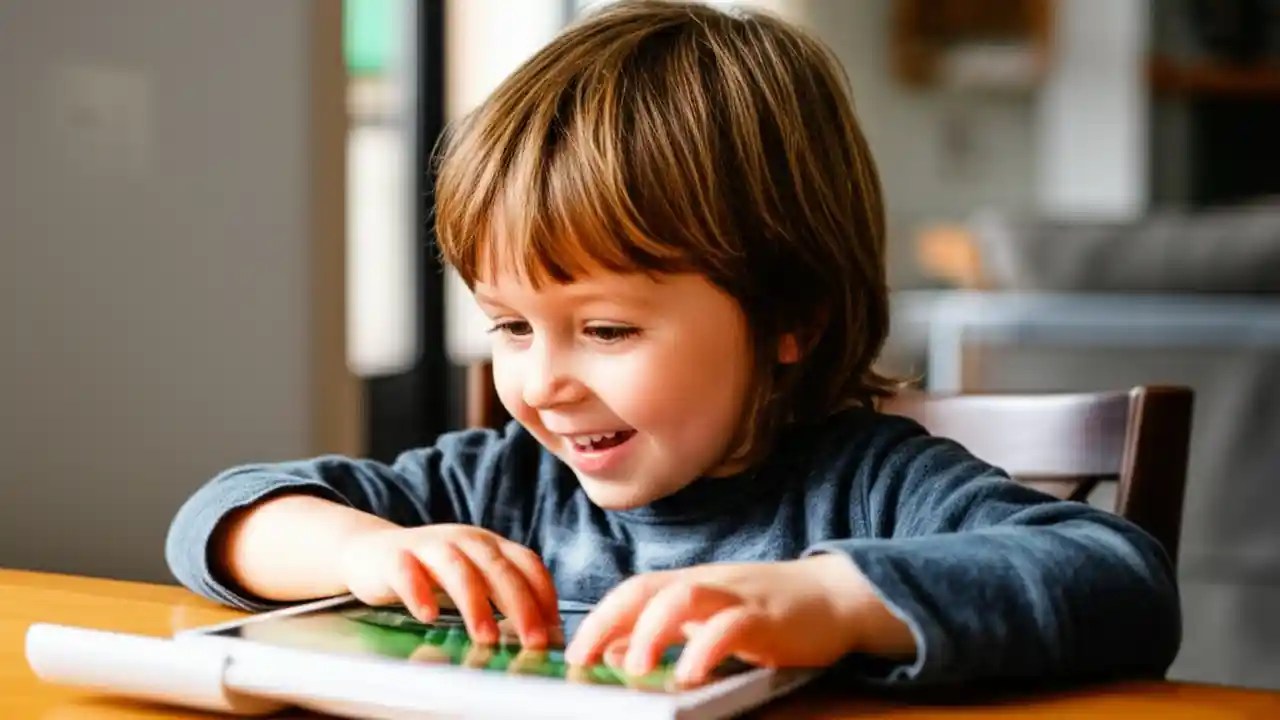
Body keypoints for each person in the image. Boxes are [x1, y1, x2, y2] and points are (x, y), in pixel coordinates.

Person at [166, 0, 1179, 688]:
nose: (542, 382)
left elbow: (1121, 581)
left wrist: (828, 597)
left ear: (792, 317)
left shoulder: (872, 490)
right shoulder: (498, 486)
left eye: (604, 330)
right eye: (512, 327)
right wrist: (370, 549)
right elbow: (215, 520)